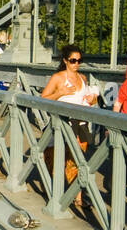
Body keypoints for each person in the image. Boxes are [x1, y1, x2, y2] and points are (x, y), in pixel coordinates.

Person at [40, 44, 97, 209]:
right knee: (56, 160)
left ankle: (77, 197)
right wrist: (60, 93)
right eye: (73, 61)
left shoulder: (83, 78)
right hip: (61, 124)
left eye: (79, 61)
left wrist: (92, 100)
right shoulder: (58, 78)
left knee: (78, 161)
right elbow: (43, 99)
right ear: (65, 61)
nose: (76, 64)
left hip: (80, 124)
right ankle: (52, 189)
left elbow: (86, 101)